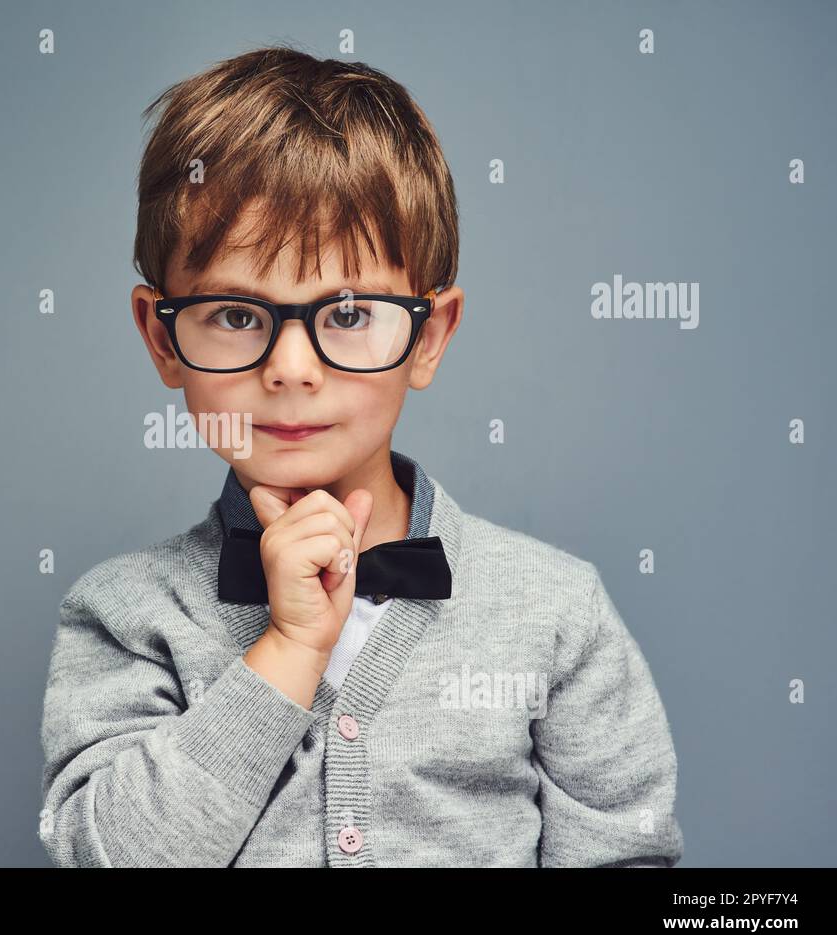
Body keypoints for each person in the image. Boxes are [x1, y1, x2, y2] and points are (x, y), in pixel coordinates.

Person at [38, 44, 683, 867]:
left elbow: (626, 853)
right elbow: (111, 855)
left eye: (346, 314)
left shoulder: (557, 612)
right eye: (237, 315)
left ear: (428, 336)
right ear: (163, 339)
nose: (291, 367)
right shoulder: (126, 613)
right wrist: (289, 650)